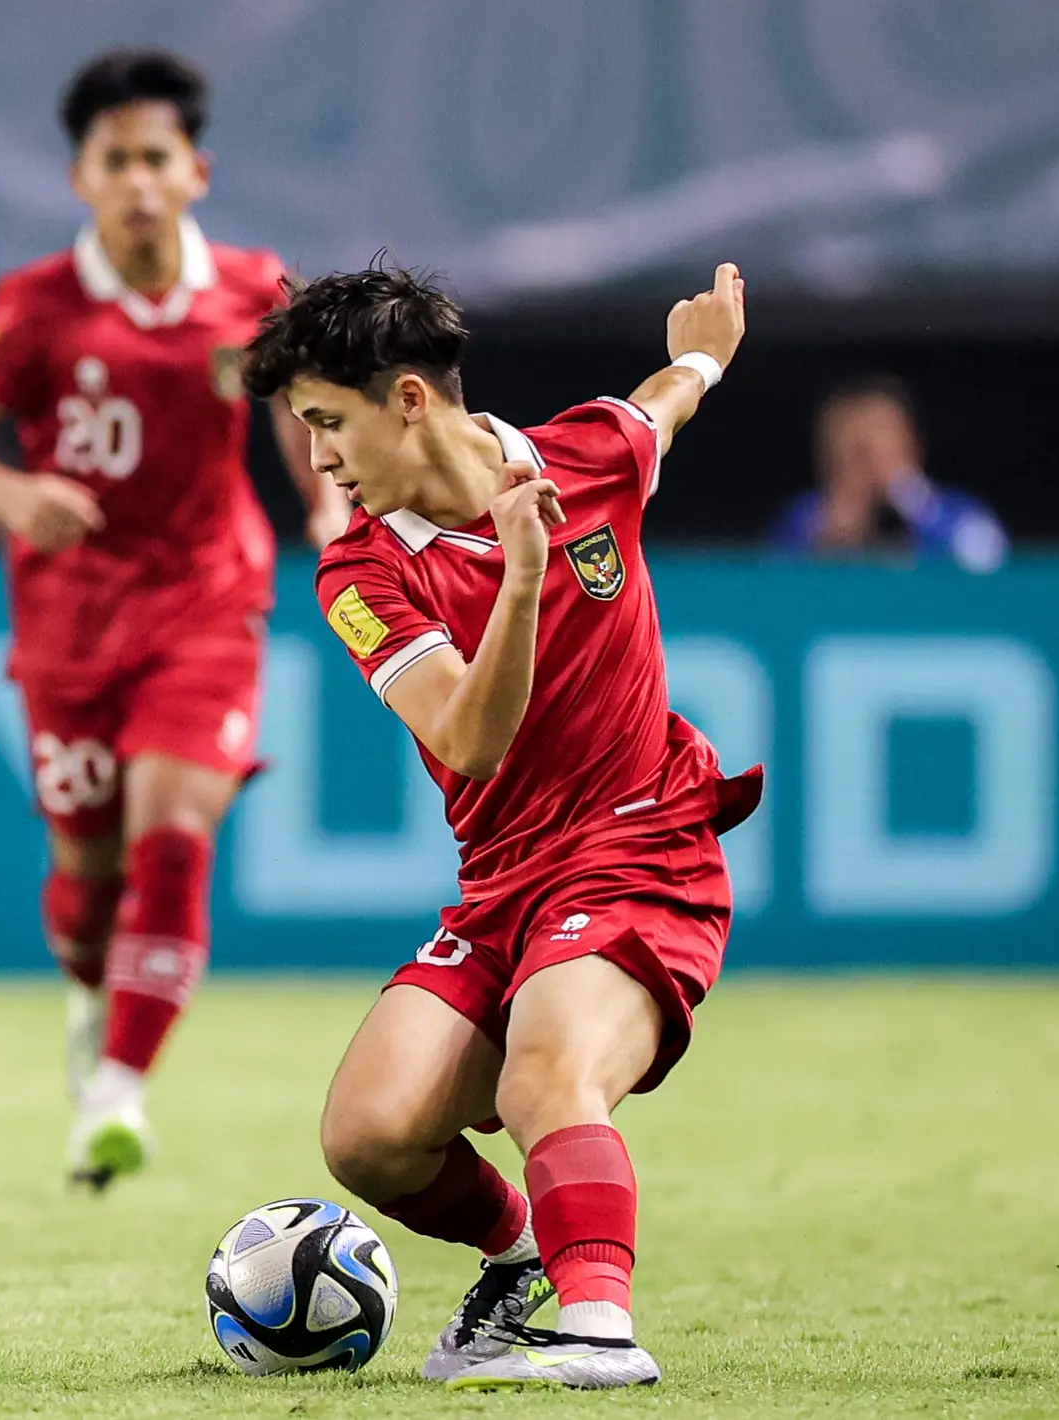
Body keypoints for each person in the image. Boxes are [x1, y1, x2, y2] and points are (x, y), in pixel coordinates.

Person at [243, 263, 757, 1390]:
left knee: (542, 1078)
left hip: (639, 847)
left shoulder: (586, 458)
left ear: (408, 399)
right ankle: (523, 1256)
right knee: (369, 1136)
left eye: (327, 423)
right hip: (505, 883)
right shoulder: (360, 573)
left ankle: (598, 1329)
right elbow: (469, 739)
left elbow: (654, 411)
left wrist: (701, 356)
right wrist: (522, 578)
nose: (319, 459)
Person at [0, 48, 347, 1190]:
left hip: (208, 598)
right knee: (87, 888)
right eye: (116, 161)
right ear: (81, 178)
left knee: (173, 836)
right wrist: (16, 496)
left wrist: (327, 504)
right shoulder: (29, 306)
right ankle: (88, 995)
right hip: (69, 623)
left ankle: (119, 1091)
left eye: (158, 157)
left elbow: (308, 417)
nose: (139, 181)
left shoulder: (257, 291)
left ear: (197, 170)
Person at [772, 375, 1006, 572]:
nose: (867, 466)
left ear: (912, 444)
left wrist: (909, 498)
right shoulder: (804, 518)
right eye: (852, 453)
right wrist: (825, 541)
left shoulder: (950, 511)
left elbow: (993, 559)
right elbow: (770, 576)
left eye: (877, 443)